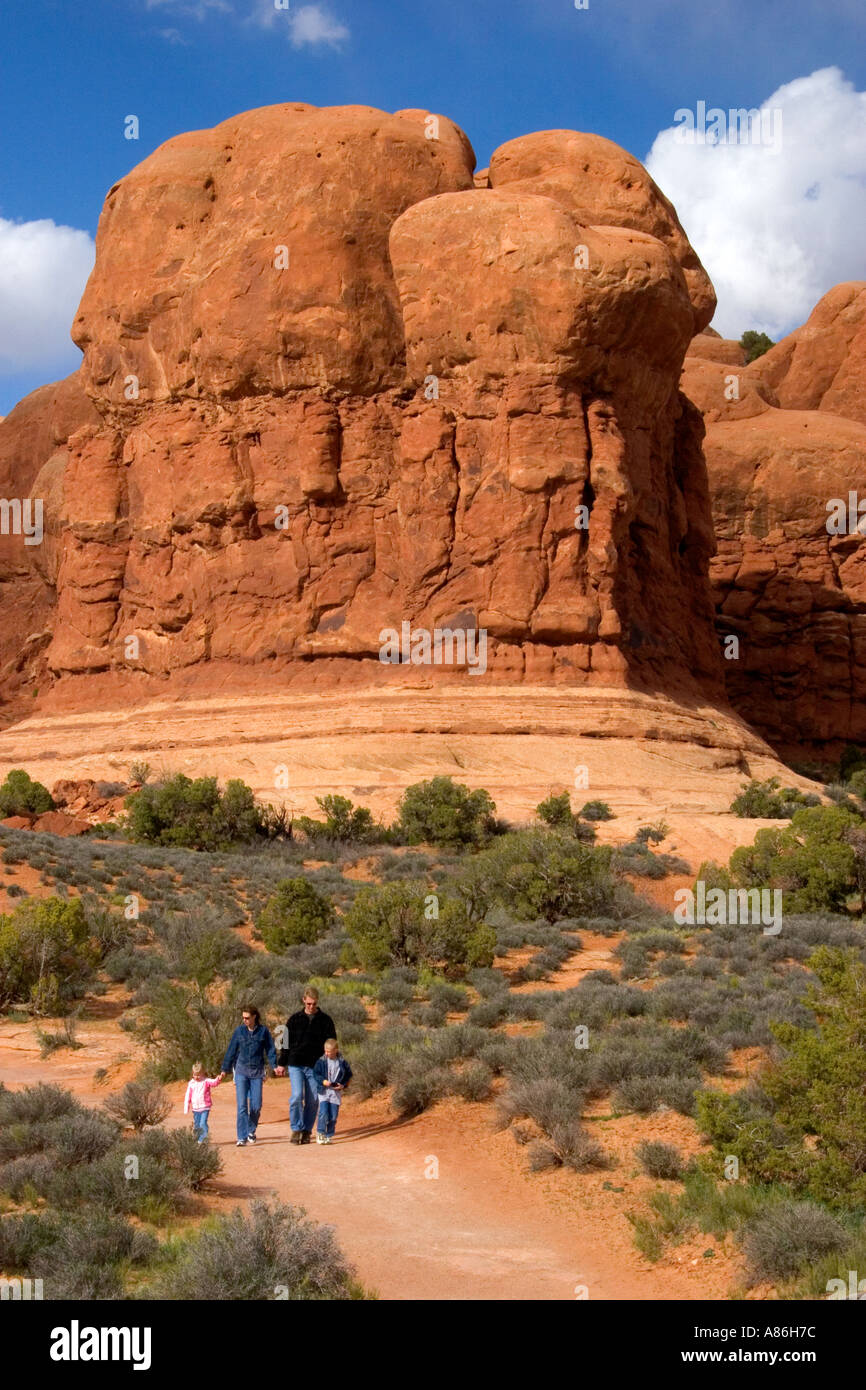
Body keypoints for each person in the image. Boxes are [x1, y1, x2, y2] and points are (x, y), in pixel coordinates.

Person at [276, 986, 336, 1145]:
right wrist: (282, 1063)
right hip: (296, 1063)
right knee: (296, 1096)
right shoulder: (294, 1019)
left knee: (313, 1100)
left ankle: (307, 1130)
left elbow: (332, 1043)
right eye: (309, 1003)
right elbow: (285, 1042)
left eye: (314, 1004)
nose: (311, 1006)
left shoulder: (325, 1020)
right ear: (304, 1000)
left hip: (315, 1066)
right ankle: (296, 1128)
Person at [219, 1005, 283, 1147]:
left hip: (257, 1072)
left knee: (256, 1105)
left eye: (247, 1018)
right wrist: (225, 1068)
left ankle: (251, 1131)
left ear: (254, 1017)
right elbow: (231, 1049)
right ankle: (241, 1137)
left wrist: (274, 1066)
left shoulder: (263, 1032)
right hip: (241, 1071)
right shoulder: (239, 1031)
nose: (245, 1020)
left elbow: (270, 1049)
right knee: (242, 1106)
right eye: (243, 1018)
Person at [313, 1038, 352, 1145]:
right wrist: (323, 1081)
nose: (327, 1053)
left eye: (329, 1051)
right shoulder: (321, 1061)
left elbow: (349, 1074)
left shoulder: (342, 1062)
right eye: (325, 1051)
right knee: (323, 1112)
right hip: (324, 1091)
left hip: (335, 1093)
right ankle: (320, 1133)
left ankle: (328, 1135)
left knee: (333, 1116)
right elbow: (316, 1074)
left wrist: (342, 1085)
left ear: (336, 1050)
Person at [183, 1061, 221, 1144]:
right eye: (194, 1074)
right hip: (195, 1108)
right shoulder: (191, 1083)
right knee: (197, 1125)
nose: (196, 1077)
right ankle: (197, 1139)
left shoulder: (206, 1081)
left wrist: (218, 1079)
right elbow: (187, 1096)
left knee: (203, 1123)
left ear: (203, 1073)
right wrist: (186, 1107)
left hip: (205, 1107)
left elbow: (214, 1082)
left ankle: (203, 1139)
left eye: (198, 1075)